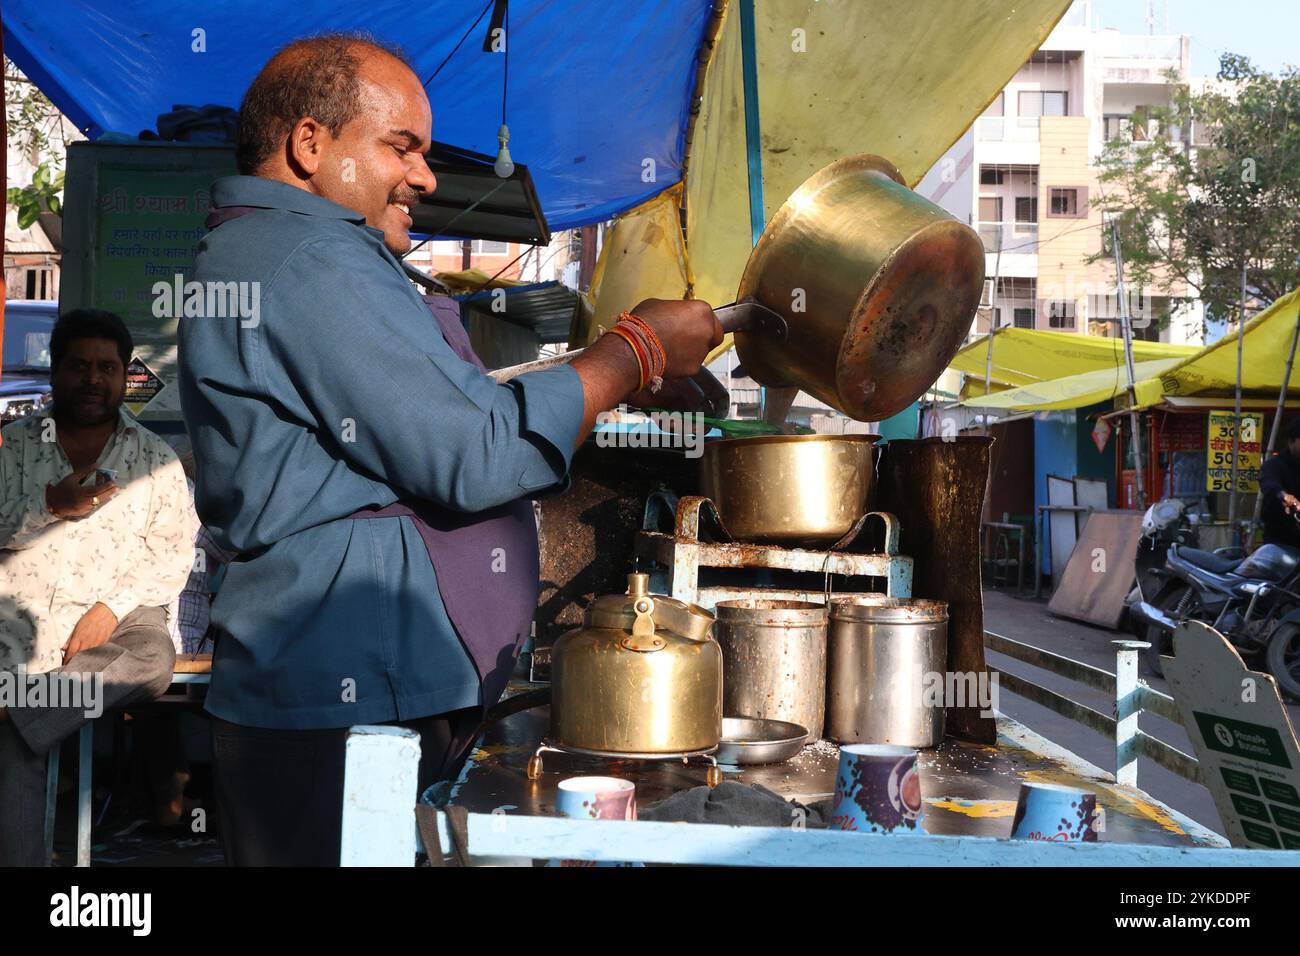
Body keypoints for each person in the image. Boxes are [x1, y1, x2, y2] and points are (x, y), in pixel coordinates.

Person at [177, 33, 722, 866]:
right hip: (340, 705)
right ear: (311, 143)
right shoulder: (308, 256)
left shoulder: (289, 254)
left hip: (354, 696)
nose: (426, 178)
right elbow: (471, 450)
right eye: (403, 147)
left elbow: (435, 422)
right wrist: (631, 352)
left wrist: (599, 379)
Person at [0, 308, 197, 865]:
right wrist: (48, 508)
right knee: (16, 751)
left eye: (106, 368)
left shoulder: (155, 460)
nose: (92, 379)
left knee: (153, 657)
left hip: (120, 621)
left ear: (124, 374)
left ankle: (20, 708)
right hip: (19, 616)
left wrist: (108, 609)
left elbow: (171, 555)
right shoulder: (12, 447)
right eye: (79, 366)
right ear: (55, 370)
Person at [1259, 417, 1300, 550]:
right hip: (1279, 545)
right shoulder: (1274, 465)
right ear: (1291, 441)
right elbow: (1270, 486)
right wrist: (1285, 497)